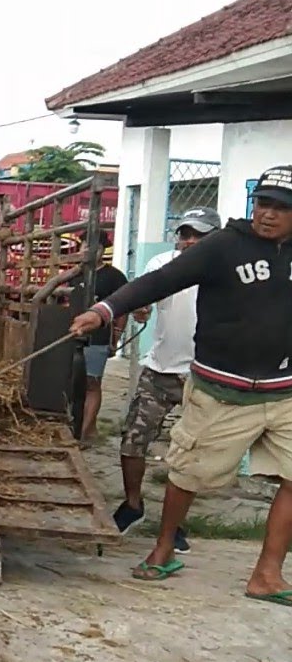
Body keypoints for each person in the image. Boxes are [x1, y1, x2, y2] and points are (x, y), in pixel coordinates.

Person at [69, 164, 292, 605]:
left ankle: (267, 573)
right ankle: (163, 549)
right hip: (222, 391)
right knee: (187, 475)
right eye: (263, 203)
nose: (269, 214)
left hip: (285, 390)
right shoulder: (223, 247)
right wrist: (105, 310)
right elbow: (159, 281)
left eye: (282, 208)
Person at [111, 207, 222, 554]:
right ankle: (133, 505)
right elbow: (143, 295)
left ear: (215, 238)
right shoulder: (162, 264)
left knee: (186, 456)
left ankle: (174, 525)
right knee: (133, 440)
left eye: (199, 235)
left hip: (202, 375)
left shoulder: (226, 270)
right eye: (185, 233)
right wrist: (139, 310)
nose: (190, 241)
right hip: (160, 370)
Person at [70, 229, 128, 442]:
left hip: (98, 338)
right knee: (73, 382)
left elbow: (122, 310)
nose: (86, 249)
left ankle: (84, 432)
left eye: (92, 246)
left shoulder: (114, 277)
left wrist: (116, 337)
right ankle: (83, 426)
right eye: (84, 245)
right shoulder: (74, 274)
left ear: (103, 250)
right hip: (72, 335)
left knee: (92, 382)